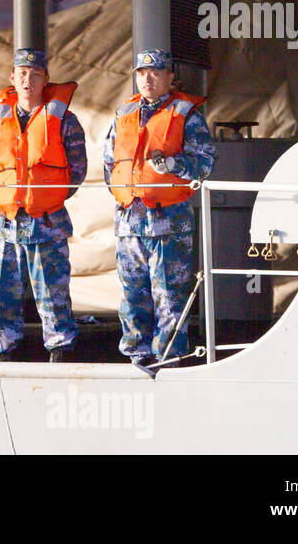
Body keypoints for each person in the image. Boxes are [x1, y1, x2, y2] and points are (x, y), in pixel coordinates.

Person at [103, 48, 216, 366]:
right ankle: (136, 356)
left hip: (169, 222)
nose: (147, 78)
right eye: (141, 73)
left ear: (170, 77)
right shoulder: (123, 113)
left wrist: (172, 164)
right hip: (129, 222)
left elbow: (205, 163)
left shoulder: (186, 115)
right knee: (132, 293)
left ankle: (168, 357)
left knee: (168, 294)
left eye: (155, 73)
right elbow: (109, 161)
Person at [0, 48, 87, 363]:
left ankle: (60, 348)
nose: (28, 80)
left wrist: (47, 198)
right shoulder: (0, 116)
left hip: (46, 222)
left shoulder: (65, 121)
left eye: (36, 74)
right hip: (7, 221)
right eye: (22, 74)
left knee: (52, 294)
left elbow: (77, 170)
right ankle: (4, 348)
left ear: (46, 79)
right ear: (12, 78)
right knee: (4, 294)